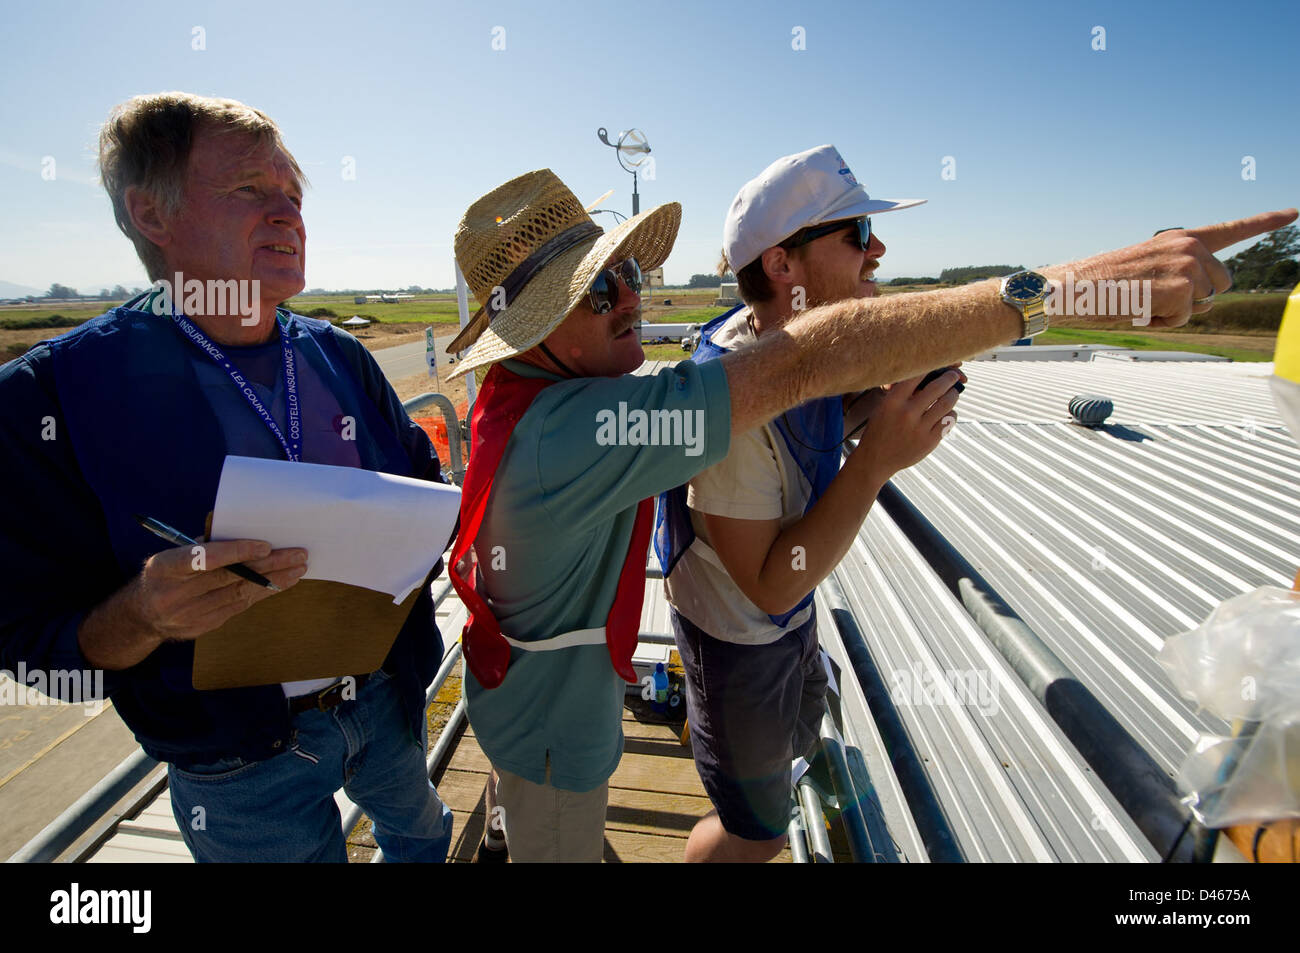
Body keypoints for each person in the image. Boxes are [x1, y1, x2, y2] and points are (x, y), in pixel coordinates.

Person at [445, 165, 1294, 863]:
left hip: (541, 690)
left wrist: (876, 400)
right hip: (557, 726)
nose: (630, 297)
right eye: (600, 292)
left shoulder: (548, 402)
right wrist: (1066, 293)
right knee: (567, 832)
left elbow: (802, 378)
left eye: (627, 275)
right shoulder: (581, 430)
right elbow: (796, 370)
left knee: (555, 824)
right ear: (534, 331)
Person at [0, 92, 453, 862]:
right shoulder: (48, 399)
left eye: (294, 195)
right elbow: (27, 642)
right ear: (152, 213)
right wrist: (143, 612)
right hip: (236, 763)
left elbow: (422, 478)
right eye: (249, 189)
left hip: (383, 698)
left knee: (424, 833)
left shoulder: (338, 355)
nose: (288, 214)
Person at [657, 145, 961, 861]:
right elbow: (770, 581)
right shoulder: (732, 405)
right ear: (782, 267)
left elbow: (807, 436)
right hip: (743, 646)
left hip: (782, 632)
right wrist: (878, 458)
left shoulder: (800, 345)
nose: (877, 249)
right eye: (855, 233)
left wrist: (873, 410)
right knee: (754, 836)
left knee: (772, 800)